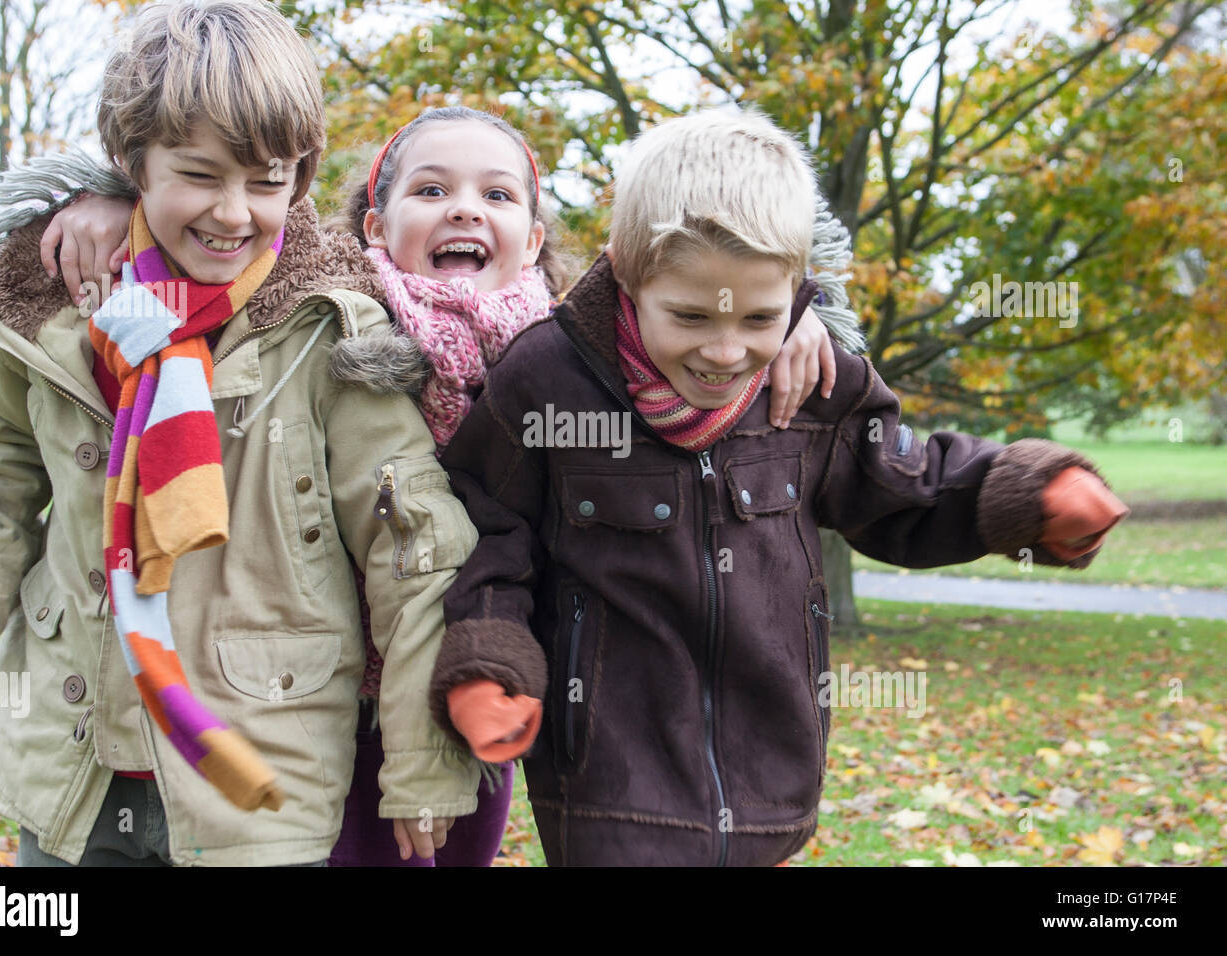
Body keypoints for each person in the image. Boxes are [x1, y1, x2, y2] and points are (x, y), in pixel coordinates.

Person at [3, 104, 864, 864]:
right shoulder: (318, 317)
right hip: (321, 692)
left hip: (482, 680)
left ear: (533, 239)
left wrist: (801, 317)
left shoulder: (587, 357)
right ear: (372, 229)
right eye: (431, 190)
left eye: (498, 195)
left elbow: (703, 279)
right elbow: (214, 226)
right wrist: (107, 206)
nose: (464, 208)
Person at [425, 107, 1132, 866]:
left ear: (799, 291)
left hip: (771, 785)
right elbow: (486, 528)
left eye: (761, 316)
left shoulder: (812, 380)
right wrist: (489, 660)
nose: (726, 351)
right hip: (608, 788)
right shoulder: (547, 379)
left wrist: (1025, 500)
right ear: (627, 275)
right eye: (690, 315)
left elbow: (901, 482)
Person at [0, 0, 480, 866]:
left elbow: (412, 548)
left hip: (253, 781)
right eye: (200, 174)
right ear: (128, 166)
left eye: (268, 181)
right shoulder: (51, 308)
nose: (233, 213)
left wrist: (422, 760)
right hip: (70, 764)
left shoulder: (331, 336)